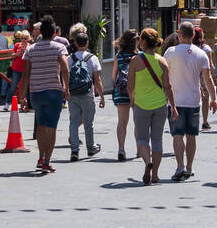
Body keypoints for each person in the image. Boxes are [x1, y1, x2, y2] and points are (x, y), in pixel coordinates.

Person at [164, 22, 217, 181]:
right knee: (191, 136)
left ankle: (180, 166)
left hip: (175, 101)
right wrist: (214, 98)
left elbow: (164, 75)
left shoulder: (170, 52)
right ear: (194, 35)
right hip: (193, 101)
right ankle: (189, 167)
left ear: (179, 33)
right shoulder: (201, 54)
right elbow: (207, 79)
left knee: (177, 135)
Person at [17, 17, 69, 174]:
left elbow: (25, 74)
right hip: (53, 91)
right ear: (54, 32)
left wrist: (22, 97)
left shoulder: (31, 49)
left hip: (36, 92)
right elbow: (65, 69)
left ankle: (40, 157)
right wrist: (66, 88)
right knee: (51, 127)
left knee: (41, 125)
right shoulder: (59, 47)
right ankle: (47, 160)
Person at [127, 28, 178, 185]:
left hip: (142, 104)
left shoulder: (135, 61)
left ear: (142, 42)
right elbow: (168, 86)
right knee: (157, 139)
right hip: (160, 105)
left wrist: (132, 98)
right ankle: (155, 174)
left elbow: (130, 85)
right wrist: (173, 106)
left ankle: (147, 161)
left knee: (141, 138)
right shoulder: (162, 61)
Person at [68, 30, 104, 160]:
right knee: (88, 122)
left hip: (72, 93)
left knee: (73, 121)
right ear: (87, 43)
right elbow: (97, 79)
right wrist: (101, 97)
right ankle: (90, 148)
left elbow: (65, 76)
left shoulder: (69, 58)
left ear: (76, 43)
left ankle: (74, 150)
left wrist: (65, 91)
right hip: (87, 93)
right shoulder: (92, 58)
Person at [111, 28, 138, 161]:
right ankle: (140, 149)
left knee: (122, 122)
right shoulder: (138, 56)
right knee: (138, 121)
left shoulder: (119, 56)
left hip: (121, 91)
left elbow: (113, 75)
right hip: (136, 92)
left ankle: (121, 149)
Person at [193, 27, 215, 130]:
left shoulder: (189, 47)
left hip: (192, 73)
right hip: (203, 75)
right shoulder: (205, 48)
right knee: (205, 98)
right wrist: (213, 76)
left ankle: (192, 120)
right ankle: (205, 121)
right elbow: (210, 64)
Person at [9, 31, 31, 112]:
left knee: (26, 87)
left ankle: (25, 104)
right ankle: (7, 103)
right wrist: (18, 54)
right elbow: (11, 56)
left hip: (26, 69)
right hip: (16, 68)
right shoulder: (17, 45)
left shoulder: (30, 46)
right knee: (13, 86)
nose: (23, 40)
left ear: (28, 39)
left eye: (25, 38)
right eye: (21, 38)